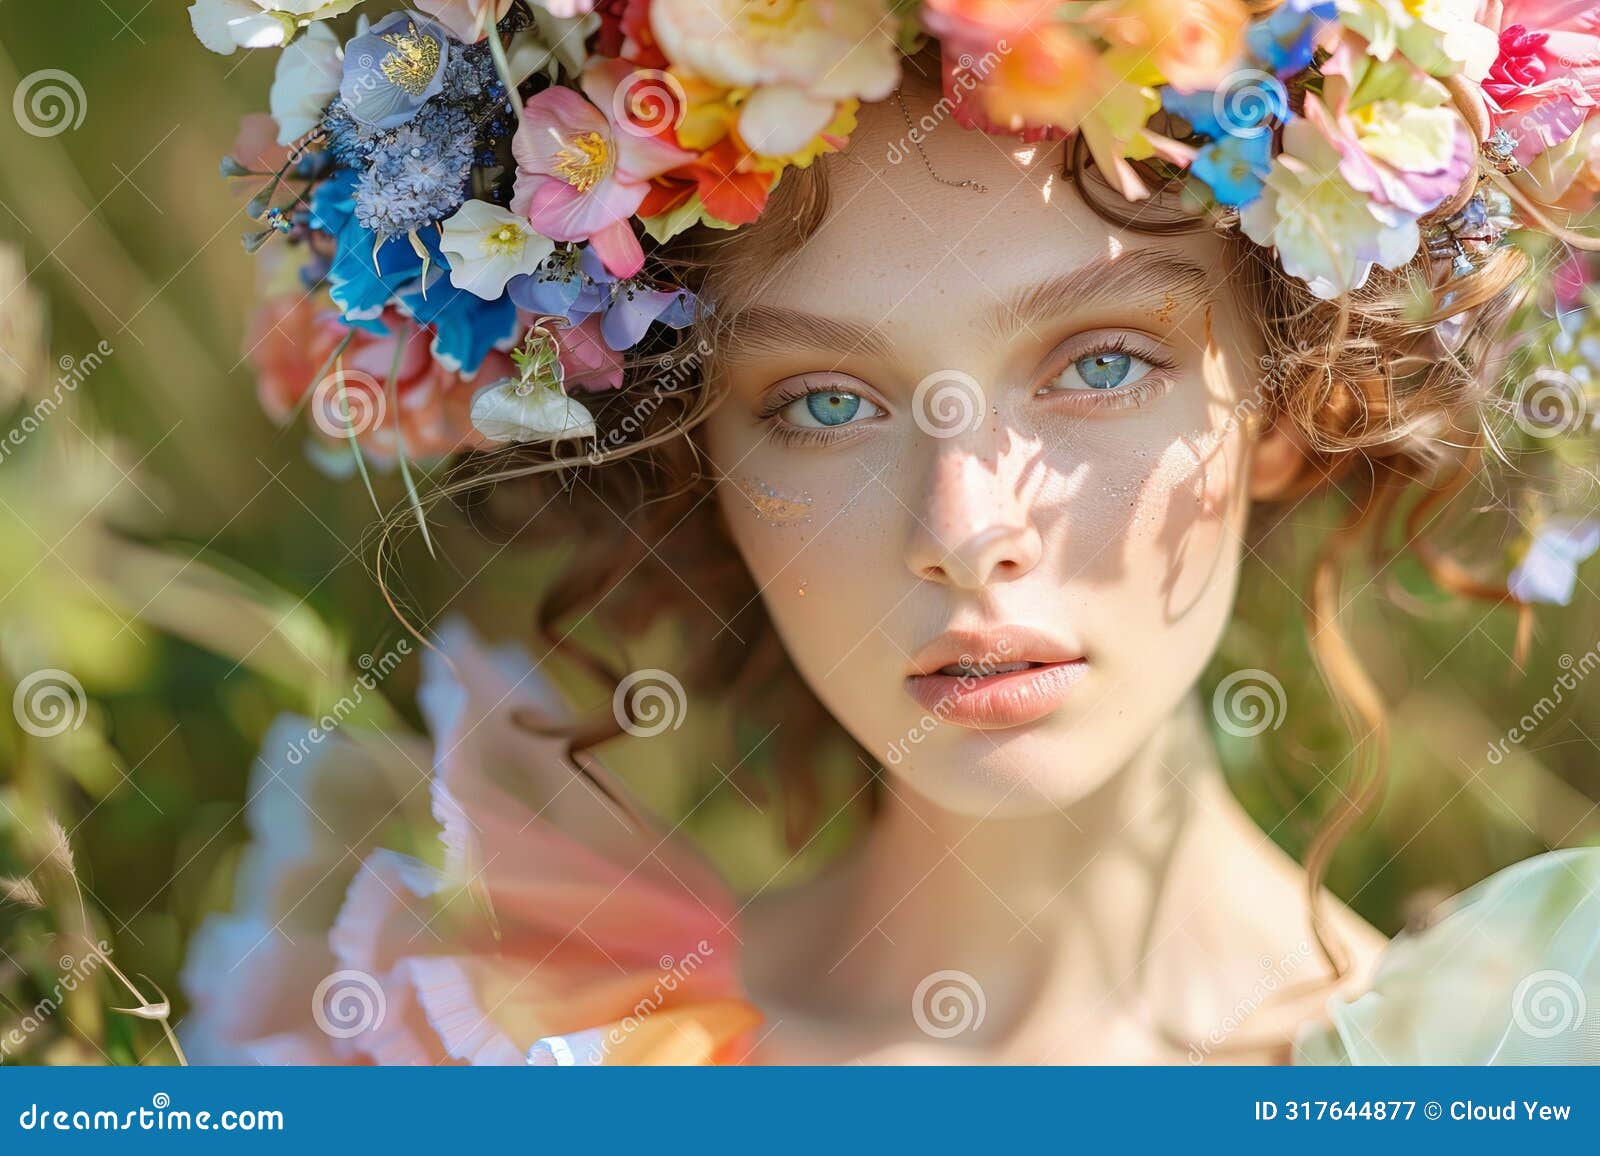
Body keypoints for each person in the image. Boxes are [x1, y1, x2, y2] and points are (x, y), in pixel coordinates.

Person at [186, 3, 1600, 1065]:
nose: (965, 532)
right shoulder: (509, 1051)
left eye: (1102, 364)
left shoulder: (1524, 1063)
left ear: (1285, 402)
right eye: (824, 402)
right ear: (702, 461)